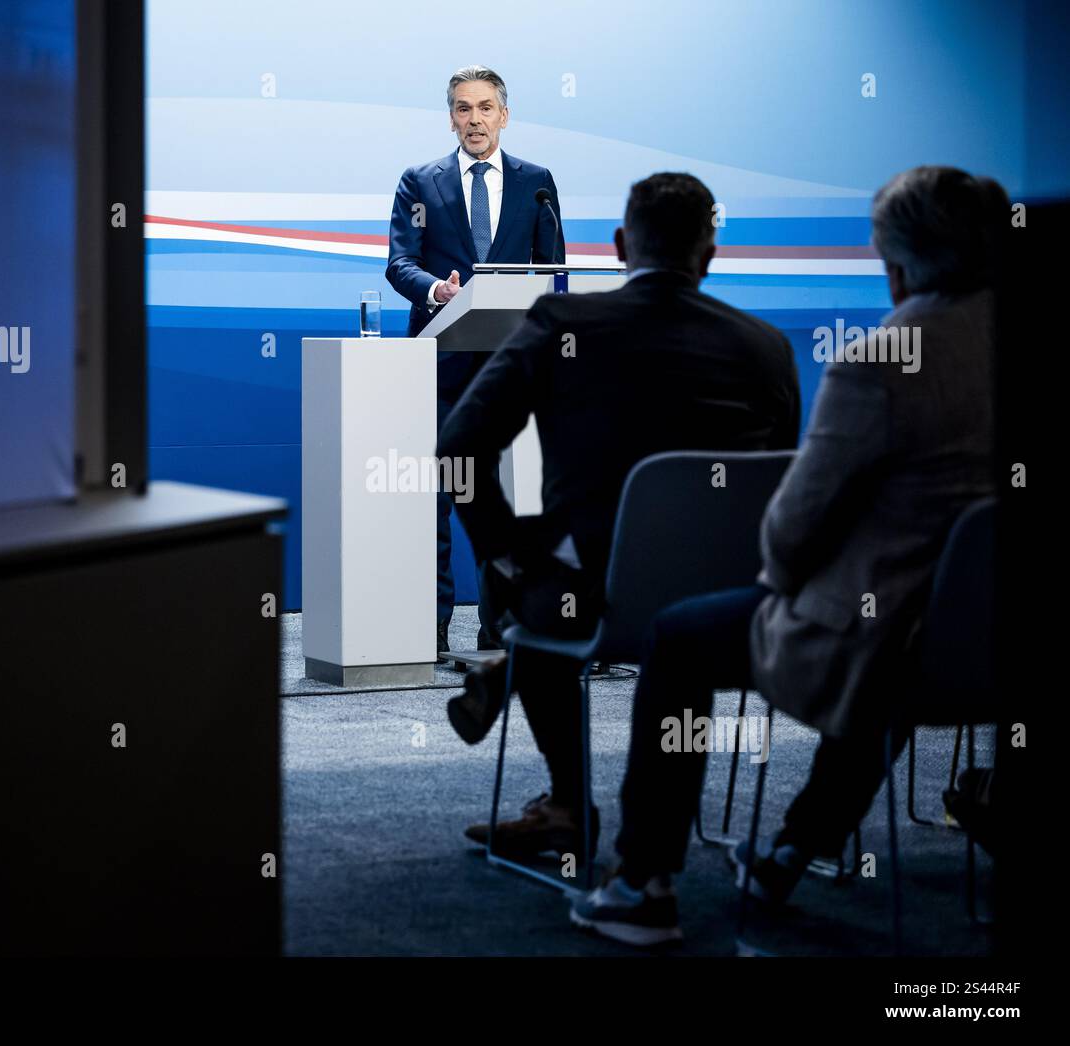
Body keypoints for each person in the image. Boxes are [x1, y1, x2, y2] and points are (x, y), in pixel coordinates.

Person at [570, 166, 1007, 947]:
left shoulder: (884, 358)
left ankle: (643, 883)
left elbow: (788, 533)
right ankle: (792, 847)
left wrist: (791, 578)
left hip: (889, 636)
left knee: (681, 636)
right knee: (905, 632)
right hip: (989, 641)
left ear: (898, 265)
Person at [436, 172, 800, 860]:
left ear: (620, 245)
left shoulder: (561, 325)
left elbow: (456, 451)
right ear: (710, 253)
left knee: (537, 589)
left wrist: (508, 556)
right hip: (729, 607)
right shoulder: (768, 348)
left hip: (589, 600)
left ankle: (568, 804)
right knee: (565, 587)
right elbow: (781, 495)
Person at [386, 65, 565, 657]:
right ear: (452, 117)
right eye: (463, 109)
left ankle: (500, 628)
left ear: (504, 115)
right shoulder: (420, 181)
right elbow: (399, 264)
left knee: (512, 502)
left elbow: (553, 274)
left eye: (485, 108)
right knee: (438, 495)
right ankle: (430, 628)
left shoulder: (537, 182)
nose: (475, 119)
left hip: (515, 364)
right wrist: (438, 290)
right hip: (439, 362)